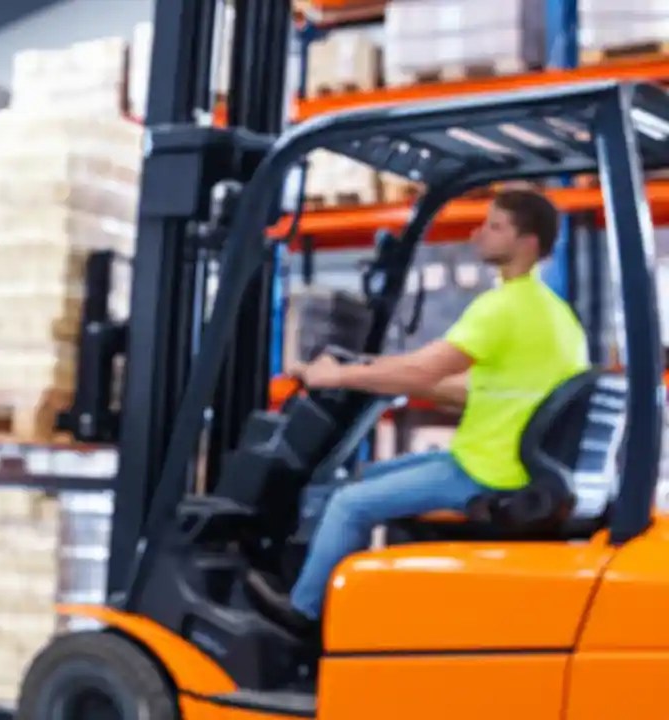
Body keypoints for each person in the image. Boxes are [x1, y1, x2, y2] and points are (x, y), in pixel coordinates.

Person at [246, 188, 590, 636]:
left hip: (488, 473)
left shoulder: (503, 307)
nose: (477, 233)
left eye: (494, 226)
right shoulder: (554, 314)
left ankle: (304, 614)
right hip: (503, 464)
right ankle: (318, 587)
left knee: (349, 504)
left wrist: (338, 378)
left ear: (527, 243)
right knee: (358, 480)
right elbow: (476, 389)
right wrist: (372, 371)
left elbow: (422, 370)